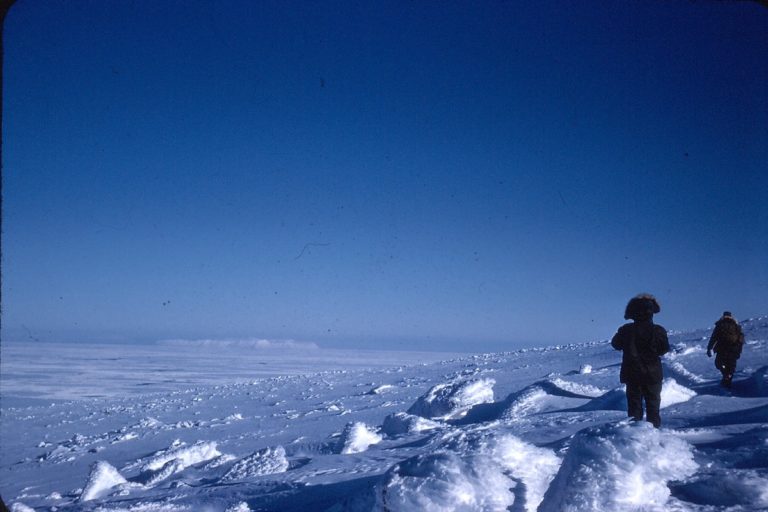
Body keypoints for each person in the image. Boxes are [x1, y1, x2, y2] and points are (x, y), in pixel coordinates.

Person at [611, 293, 670, 428]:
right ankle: (654, 435)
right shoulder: (658, 330)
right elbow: (664, 349)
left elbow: (615, 344)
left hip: (632, 373)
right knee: (653, 406)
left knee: (634, 408)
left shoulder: (625, 330)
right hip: (653, 373)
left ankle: (634, 437)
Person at [706, 311, 745, 388]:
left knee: (719, 363)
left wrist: (709, 348)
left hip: (722, 348)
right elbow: (741, 339)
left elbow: (713, 338)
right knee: (731, 365)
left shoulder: (720, 324)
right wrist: (739, 351)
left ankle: (726, 376)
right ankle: (728, 380)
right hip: (734, 348)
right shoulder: (736, 325)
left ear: (723, 316)